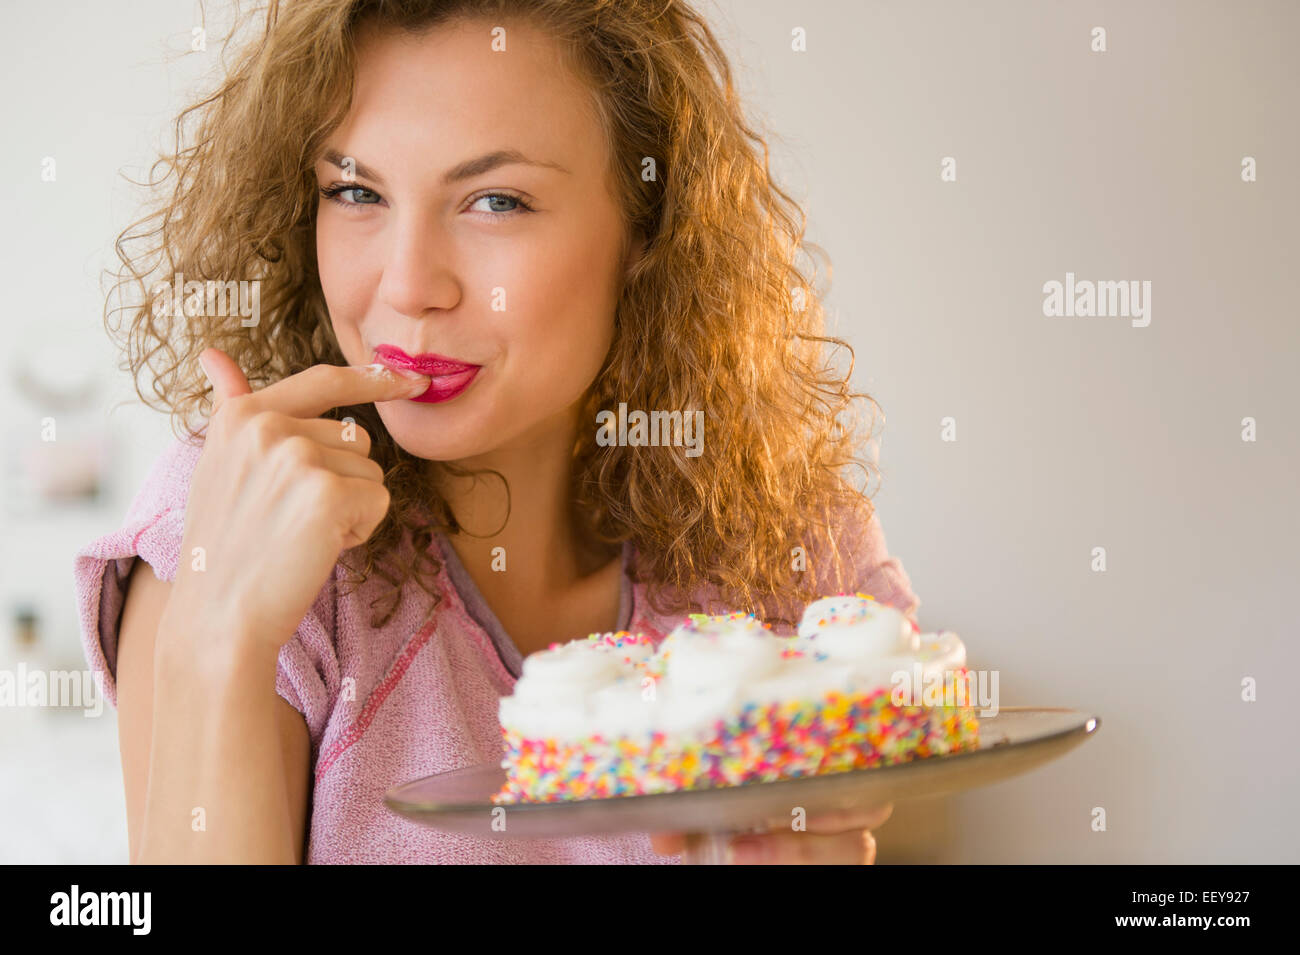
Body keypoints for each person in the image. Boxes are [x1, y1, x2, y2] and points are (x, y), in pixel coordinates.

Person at [74, 0, 920, 864]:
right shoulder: (235, 522)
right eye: (356, 192)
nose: (407, 287)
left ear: (646, 225)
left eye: (495, 201)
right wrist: (218, 636)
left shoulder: (792, 549)